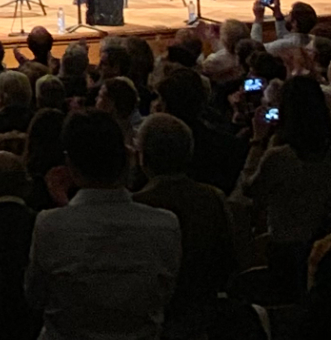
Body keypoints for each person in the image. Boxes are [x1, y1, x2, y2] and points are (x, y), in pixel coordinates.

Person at [25, 111, 180, 339]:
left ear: (70, 164)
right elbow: (165, 295)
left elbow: (35, 296)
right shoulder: (165, 225)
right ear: (126, 158)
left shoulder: (50, 225)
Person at [133, 113, 237, 339]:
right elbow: (229, 257)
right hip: (202, 316)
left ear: (142, 157)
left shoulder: (137, 206)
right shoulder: (213, 198)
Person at [238, 74, 331, 294]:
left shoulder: (280, 157)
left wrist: (257, 141)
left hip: (284, 248)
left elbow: (249, 189)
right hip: (322, 241)